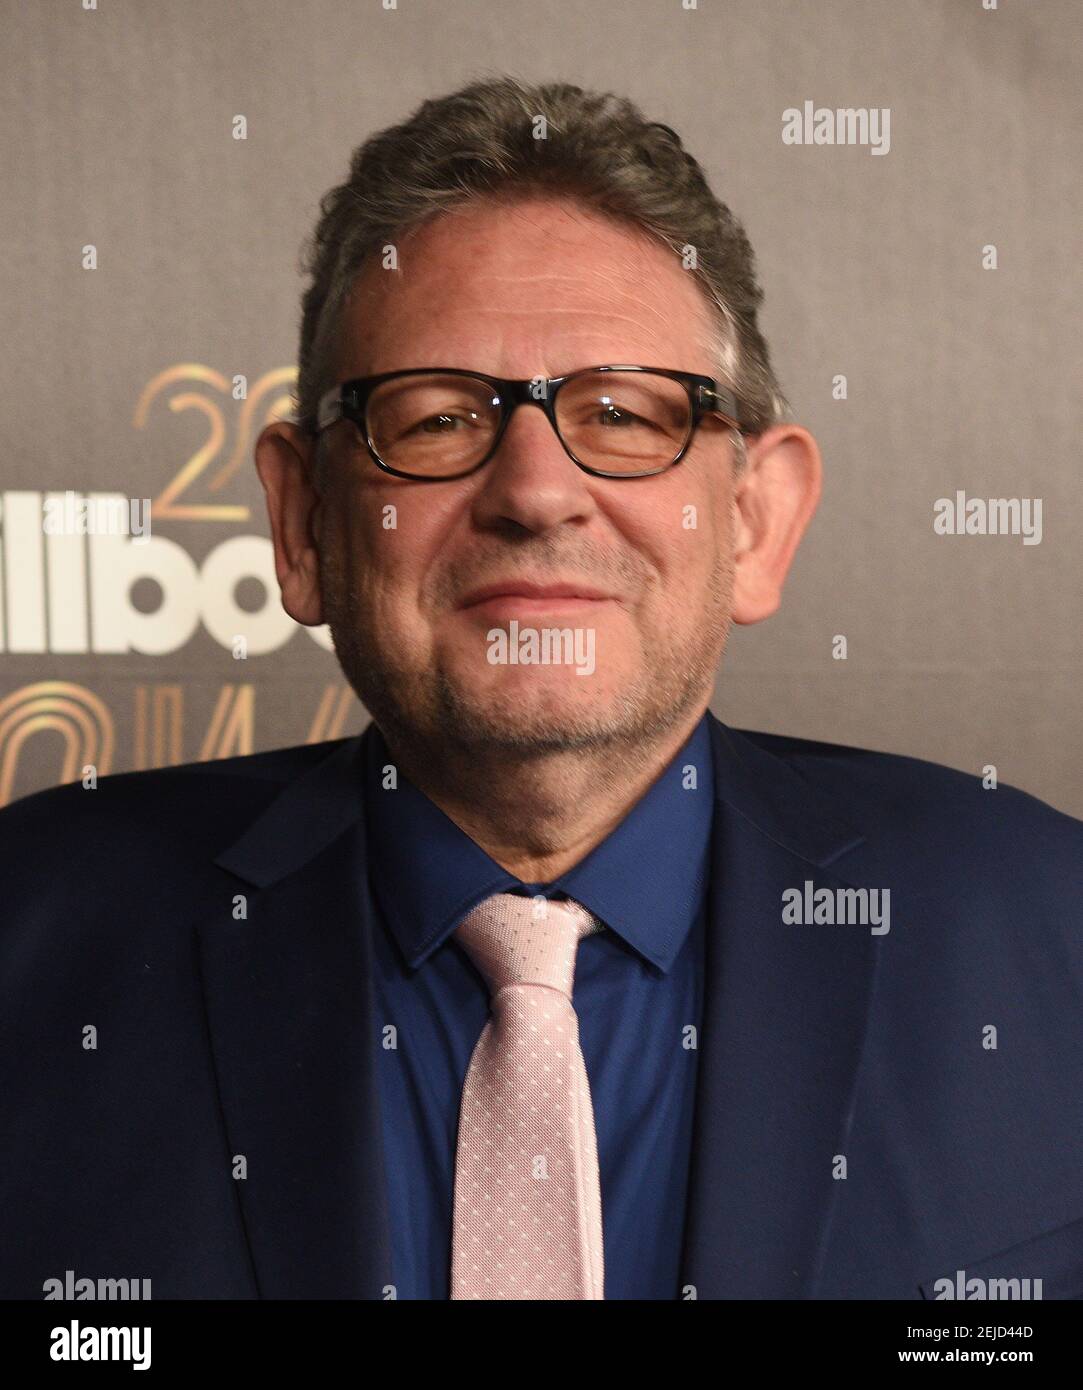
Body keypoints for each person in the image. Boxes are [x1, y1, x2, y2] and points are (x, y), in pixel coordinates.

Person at [2, 77, 1081, 1302]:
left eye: (623, 415)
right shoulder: (27, 947)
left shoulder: (1052, 935)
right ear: (303, 521)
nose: (536, 488)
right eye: (438, 416)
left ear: (758, 519)